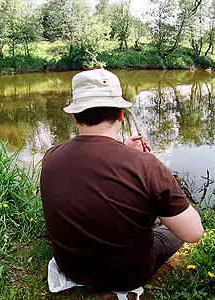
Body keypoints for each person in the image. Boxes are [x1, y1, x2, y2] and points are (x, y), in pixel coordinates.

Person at [40, 69, 204, 292]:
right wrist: (147, 164)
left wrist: (126, 152)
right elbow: (193, 233)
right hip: (127, 276)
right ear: (120, 115)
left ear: (75, 116)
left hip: (70, 267)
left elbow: (92, 172)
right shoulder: (146, 165)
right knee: (174, 229)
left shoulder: (50, 157)